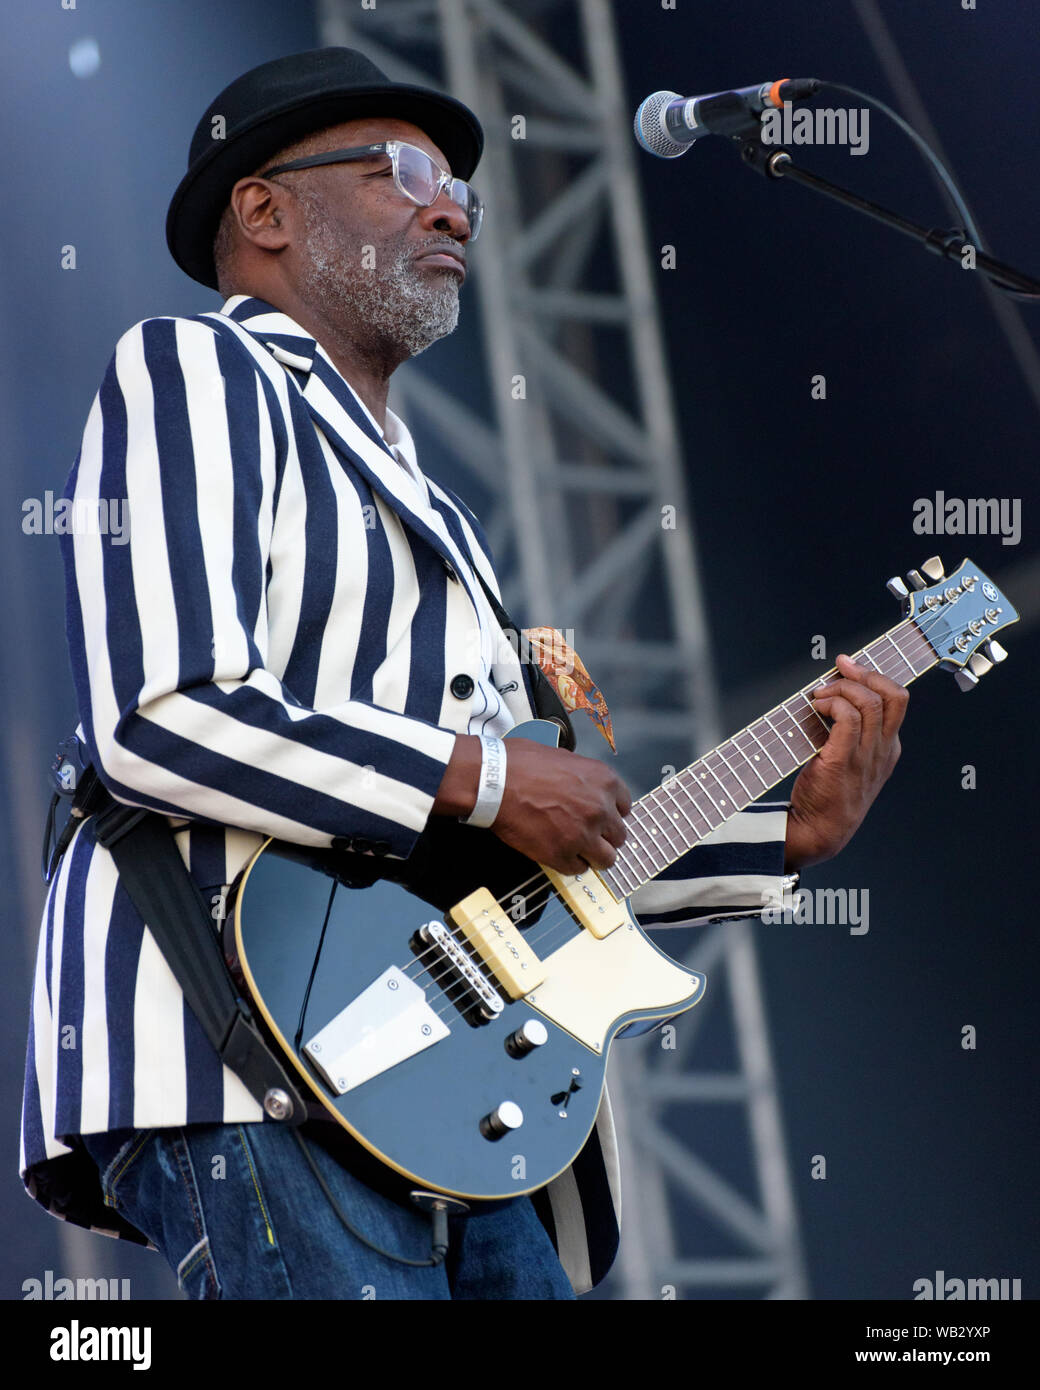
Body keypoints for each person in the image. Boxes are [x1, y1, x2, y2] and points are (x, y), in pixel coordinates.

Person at [20, 48, 908, 1300]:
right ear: (263, 209)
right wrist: (489, 773)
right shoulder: (196, 370)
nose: (450, 206)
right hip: (252, 1055)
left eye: (463, 193)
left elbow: (512, 890)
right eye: (405, 171)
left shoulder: (446, 520)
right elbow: (158, 716)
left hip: (451, 1115)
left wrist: (782, 835)